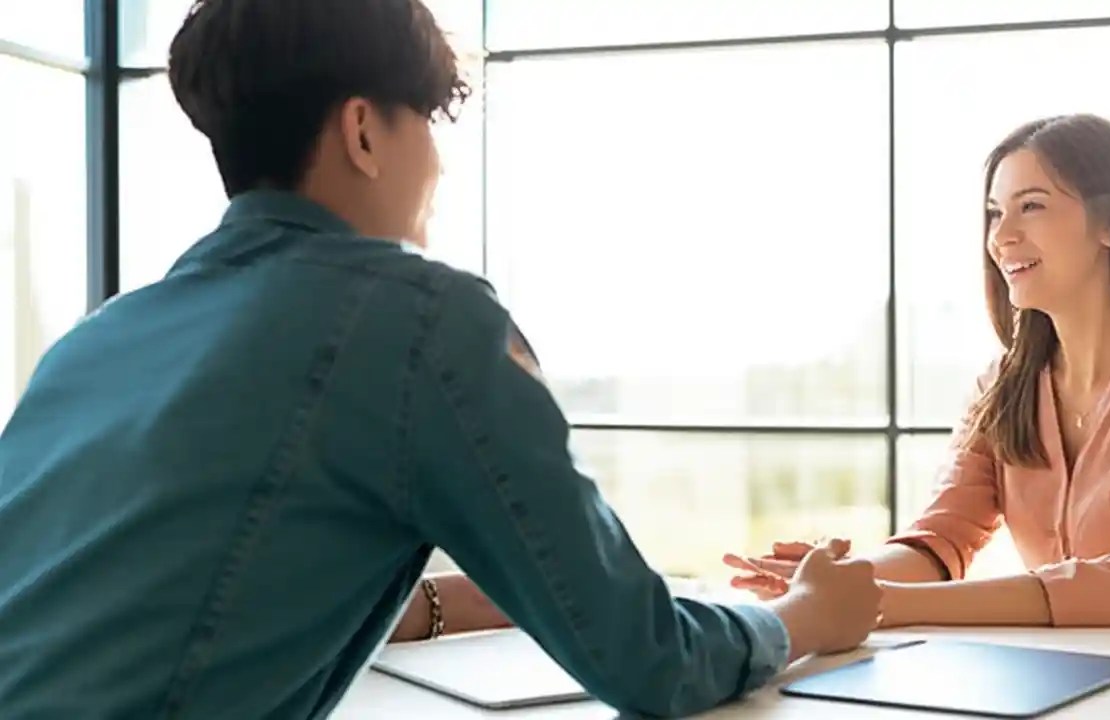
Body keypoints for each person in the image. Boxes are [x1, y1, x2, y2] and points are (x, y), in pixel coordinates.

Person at [0, 1, 884, 718]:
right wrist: (802, 614)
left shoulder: (100, 339)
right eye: (423, 119)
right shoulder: (418, 320)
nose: (438, 164)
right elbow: (650, 662)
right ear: (363, 132)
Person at [726, 113, 1110, 642]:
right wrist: (839, 583)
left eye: (1031, 206)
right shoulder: (1005, 384)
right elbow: (940, 541)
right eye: (993, 213)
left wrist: (882, 603)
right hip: (1066, 680)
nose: (1001, 236)